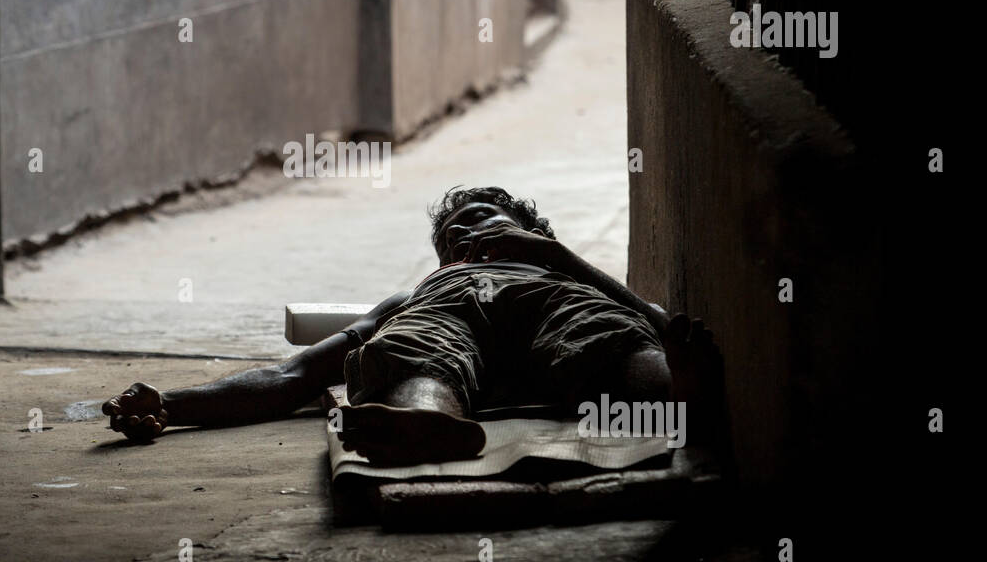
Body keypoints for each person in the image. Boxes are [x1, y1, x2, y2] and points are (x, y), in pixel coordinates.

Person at [103, 186, 723, 466]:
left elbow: (656, 322)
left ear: (532, 231)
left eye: (484, 219)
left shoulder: (565, 272)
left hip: (552, 305)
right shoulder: (420, 292)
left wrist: (553, 259)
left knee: (601, 338)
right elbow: (294, 374)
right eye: (453, 235)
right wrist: (171, 403)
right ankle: (433, 425)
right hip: (448, 318)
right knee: (408, 349)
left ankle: (674, 399)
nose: (467, 232)